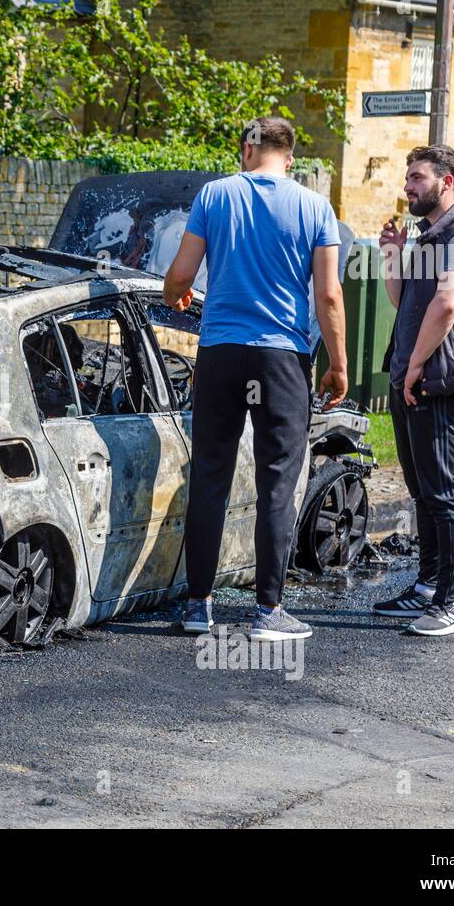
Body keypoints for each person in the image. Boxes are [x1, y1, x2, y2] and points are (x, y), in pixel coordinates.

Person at [164, 117, 347, 642]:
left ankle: (198, 606)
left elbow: (181, 275)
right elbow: (329, 295)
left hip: (222, 352)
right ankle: (268, 612)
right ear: (288, 158)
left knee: (211, 477)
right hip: (282, 359)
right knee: (277, 481)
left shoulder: (214, 196)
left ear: (248, 149)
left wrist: (173, 295)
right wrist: (338, 363)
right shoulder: (315, 207)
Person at [373, 145, 454, 636]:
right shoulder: (429, 238)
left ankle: (451, 605)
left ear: (446, 182)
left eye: (417, 177)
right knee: (422, 489)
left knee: (444, 491)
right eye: (407, 178)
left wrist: (418, 365)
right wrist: (392, 254)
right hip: (413, 375)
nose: (408, 186)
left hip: (440, 377)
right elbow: (402, 299)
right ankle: (427, 589)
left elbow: (447, 305)